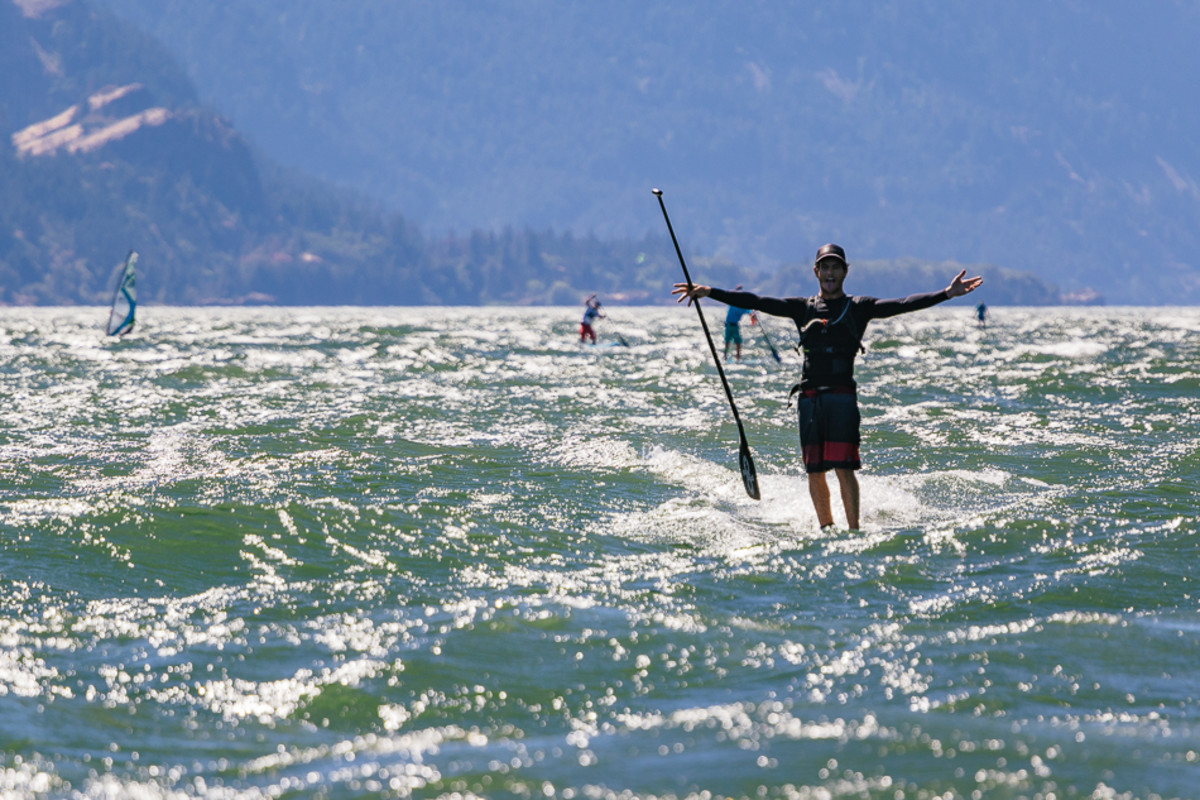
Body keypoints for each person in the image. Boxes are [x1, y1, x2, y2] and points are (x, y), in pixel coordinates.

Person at [672, 243, 982, 531]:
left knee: (844, 468)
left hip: (842, 399)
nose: (830, 273)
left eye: (835, 267)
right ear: (816, 272)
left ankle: (854, 531)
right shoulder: (802, 308)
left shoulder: (858, 307)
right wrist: (709, 292)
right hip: (809, 400)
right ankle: (826, 530)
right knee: (814, 470)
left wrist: (946, 294)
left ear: (845, 271)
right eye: (824, 267)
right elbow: (757, 301)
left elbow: (902, 304)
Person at [723, 285, 758, 361]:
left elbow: (750, 312)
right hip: (729, 325)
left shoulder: (741, 306)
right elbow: (731, 294)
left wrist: (753, 315)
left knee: (737, 342)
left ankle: (737, 357)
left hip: (734, 326)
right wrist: (737, 289)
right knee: (728, 342)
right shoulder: (733, 303)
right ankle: (725, 356)